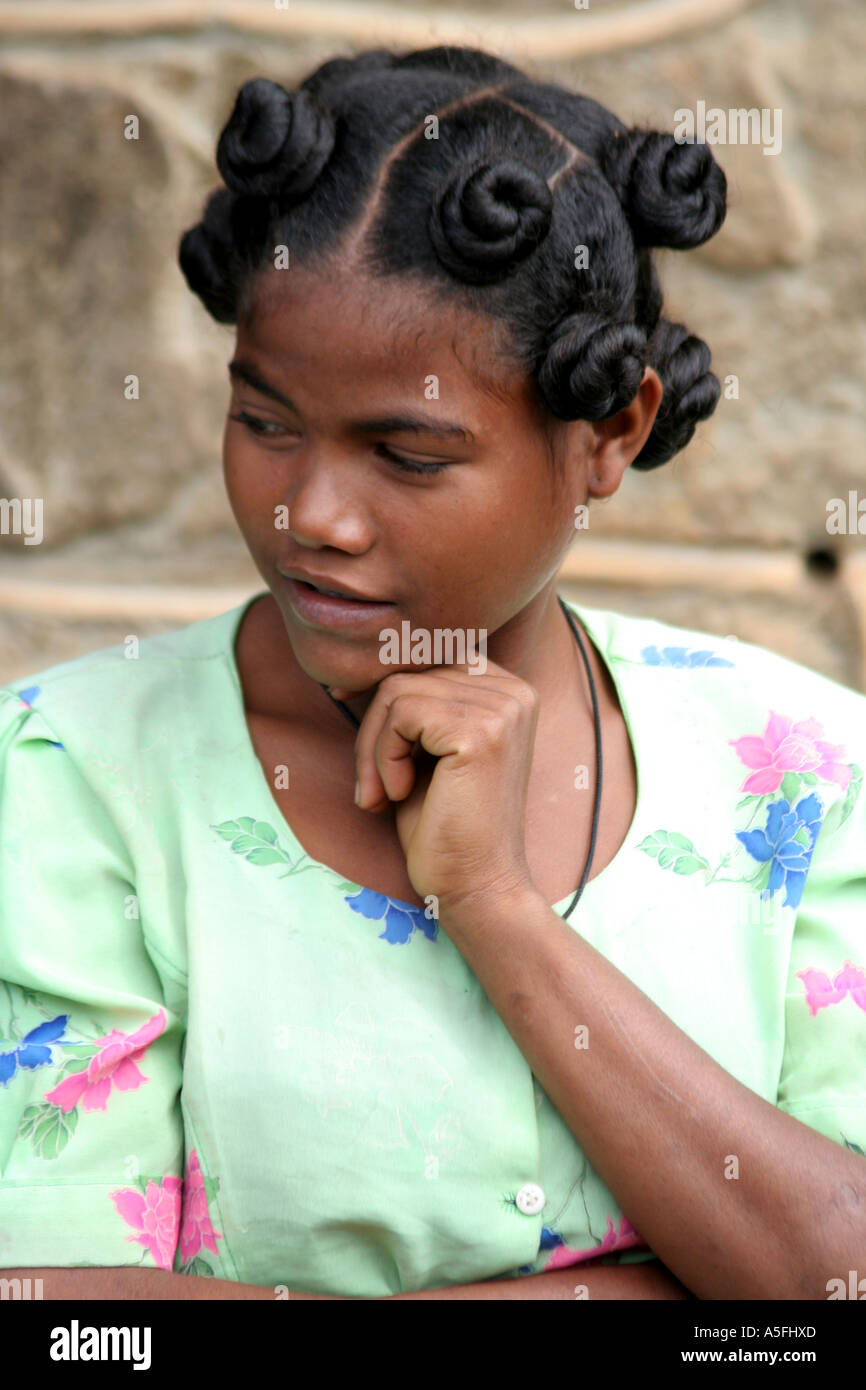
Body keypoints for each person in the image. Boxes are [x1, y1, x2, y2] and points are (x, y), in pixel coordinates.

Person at [1, 44, 863, 1302]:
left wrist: (489, 899)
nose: (312, 515)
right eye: (264, 422)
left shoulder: (808, 769)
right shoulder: (66, 780)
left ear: (610, 430)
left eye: (404, 454)